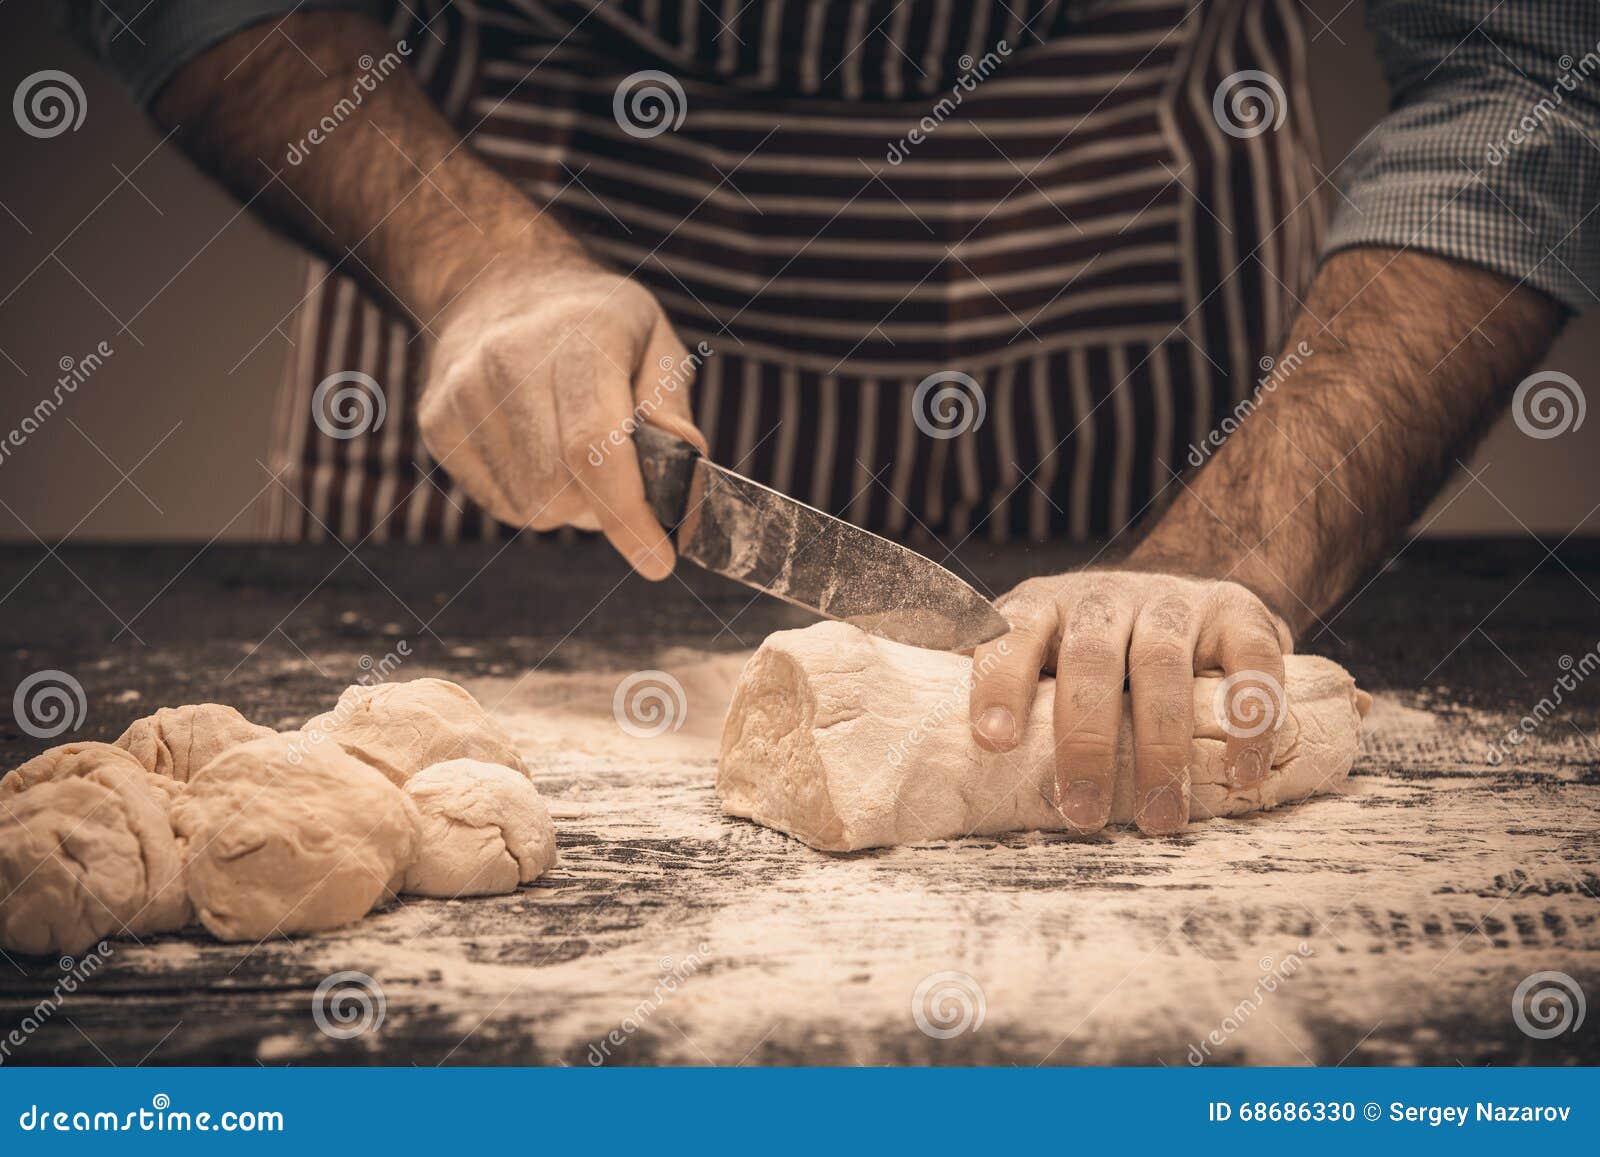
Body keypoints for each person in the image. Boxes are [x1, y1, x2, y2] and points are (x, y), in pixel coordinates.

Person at [69, 1, 1596, 835]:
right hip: (520, 218)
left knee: (1124, 730)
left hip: (1110, 253)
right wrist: (474, 261)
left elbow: (1522, 62)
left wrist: (1233, 550)